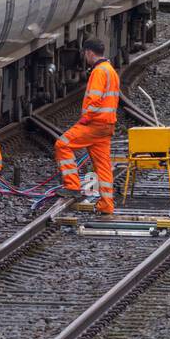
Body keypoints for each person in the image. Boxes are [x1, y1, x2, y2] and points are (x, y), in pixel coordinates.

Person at [54, 39, 119, 214]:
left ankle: (72, 186)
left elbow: (94, 99)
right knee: (103, 166)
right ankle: (107, 205)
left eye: (85, 53)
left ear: (89, 52)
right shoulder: (111, 71)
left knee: (63, 144)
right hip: (107, 126)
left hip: (94, 124)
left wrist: (85, 119)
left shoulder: (99, 72)